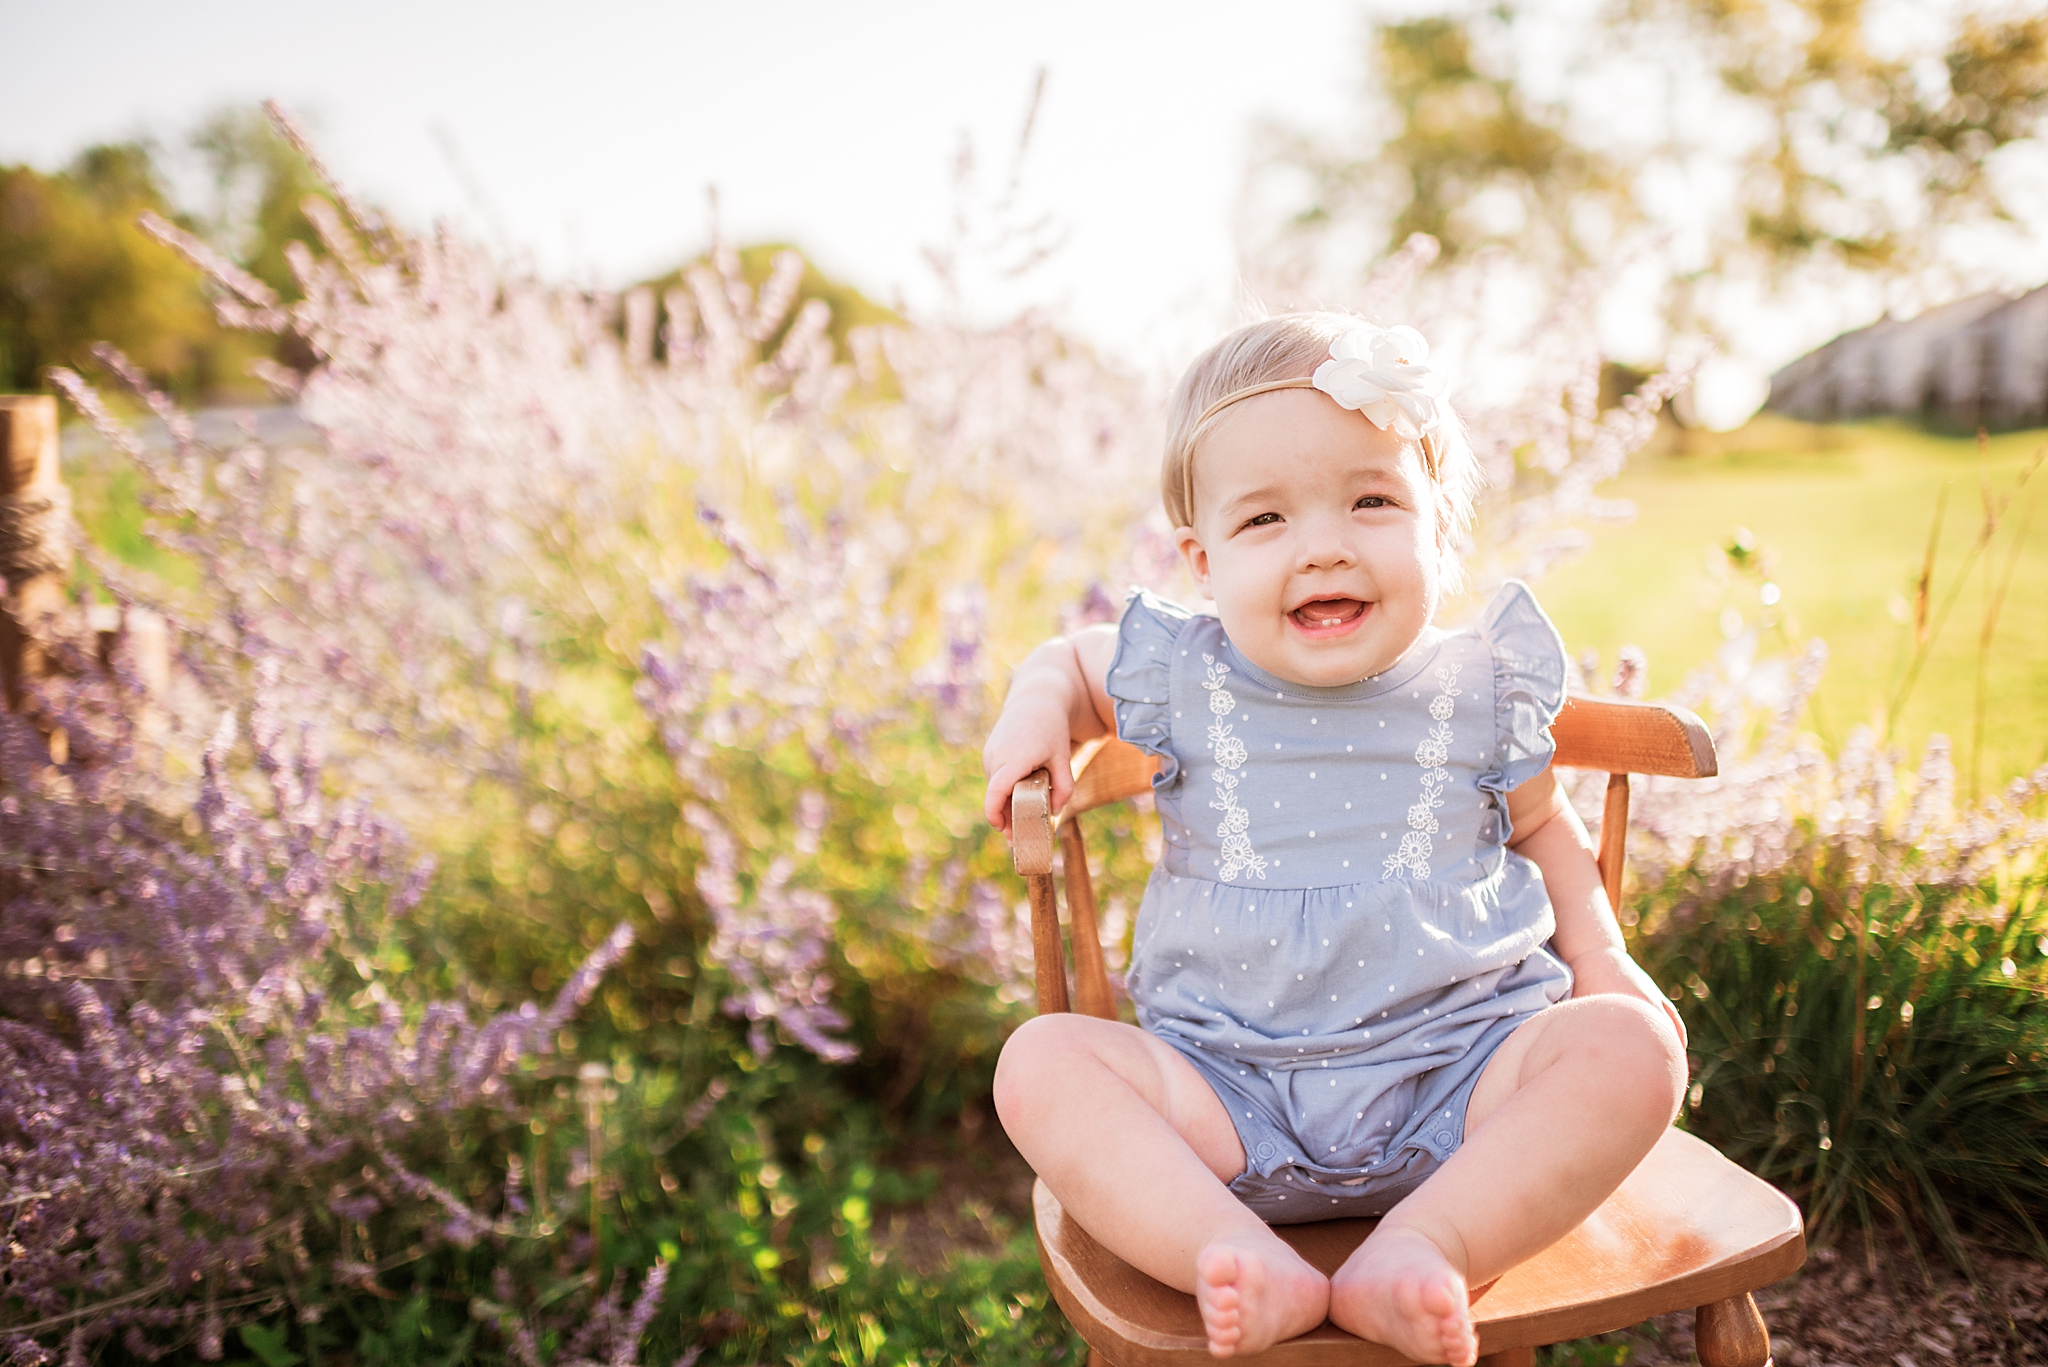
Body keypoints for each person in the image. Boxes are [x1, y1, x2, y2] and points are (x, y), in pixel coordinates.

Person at [980, 314, 1688, 1364]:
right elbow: (1071, 666)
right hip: (1225, 1097)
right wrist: (1034, 709)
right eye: (1263, 517)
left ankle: (1422, 1246)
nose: (1323, 543)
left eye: (1371, 499)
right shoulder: (1185, 673)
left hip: (1464, 1084)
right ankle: (1227, 1249)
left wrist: (1599, 959)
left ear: (1436, 531)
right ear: (1201, 559)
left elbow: (1542, 822)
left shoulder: (1480, 686)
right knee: (1039, 1062)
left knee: (1634, 1048)